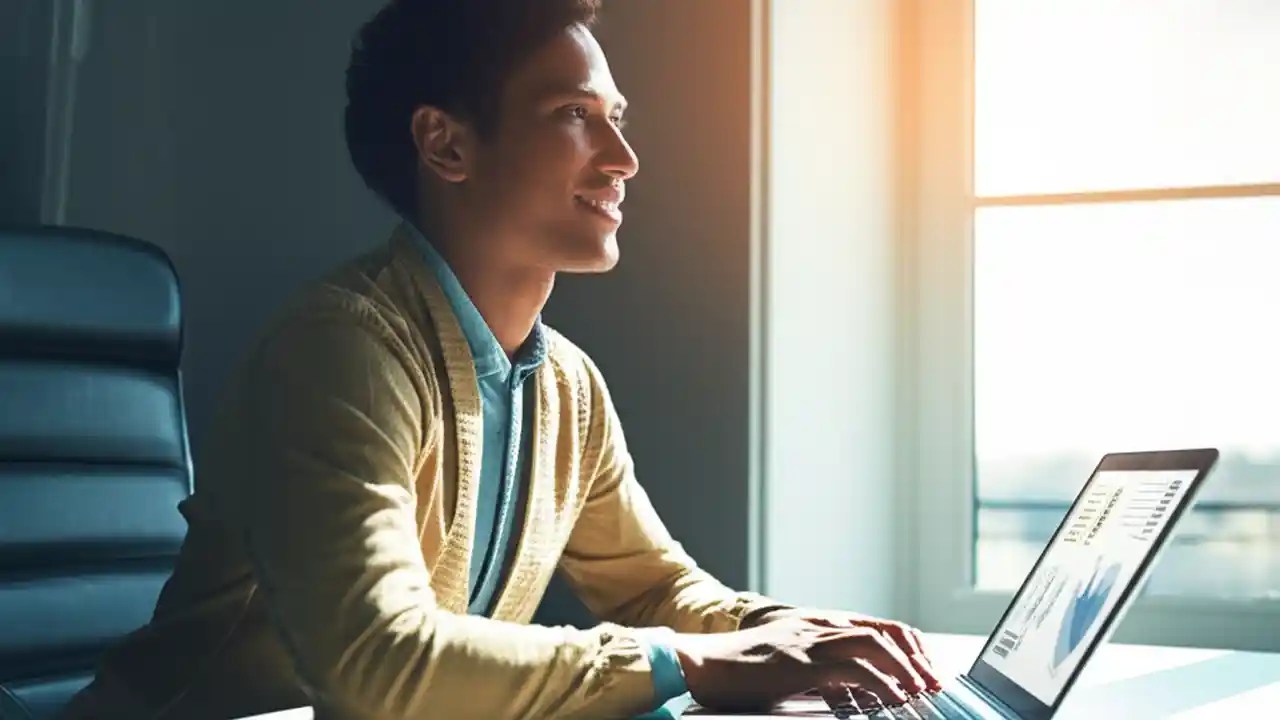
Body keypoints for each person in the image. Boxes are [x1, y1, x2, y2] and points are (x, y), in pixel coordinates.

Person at [63, 1, 942, 718]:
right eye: (574, 116)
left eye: (618, 121)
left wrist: (811, 635)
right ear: (446, 143)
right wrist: (701, 662)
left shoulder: (567, 386)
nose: (625, 160)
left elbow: (652, 590)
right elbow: (379, 662)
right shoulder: (341, 350)